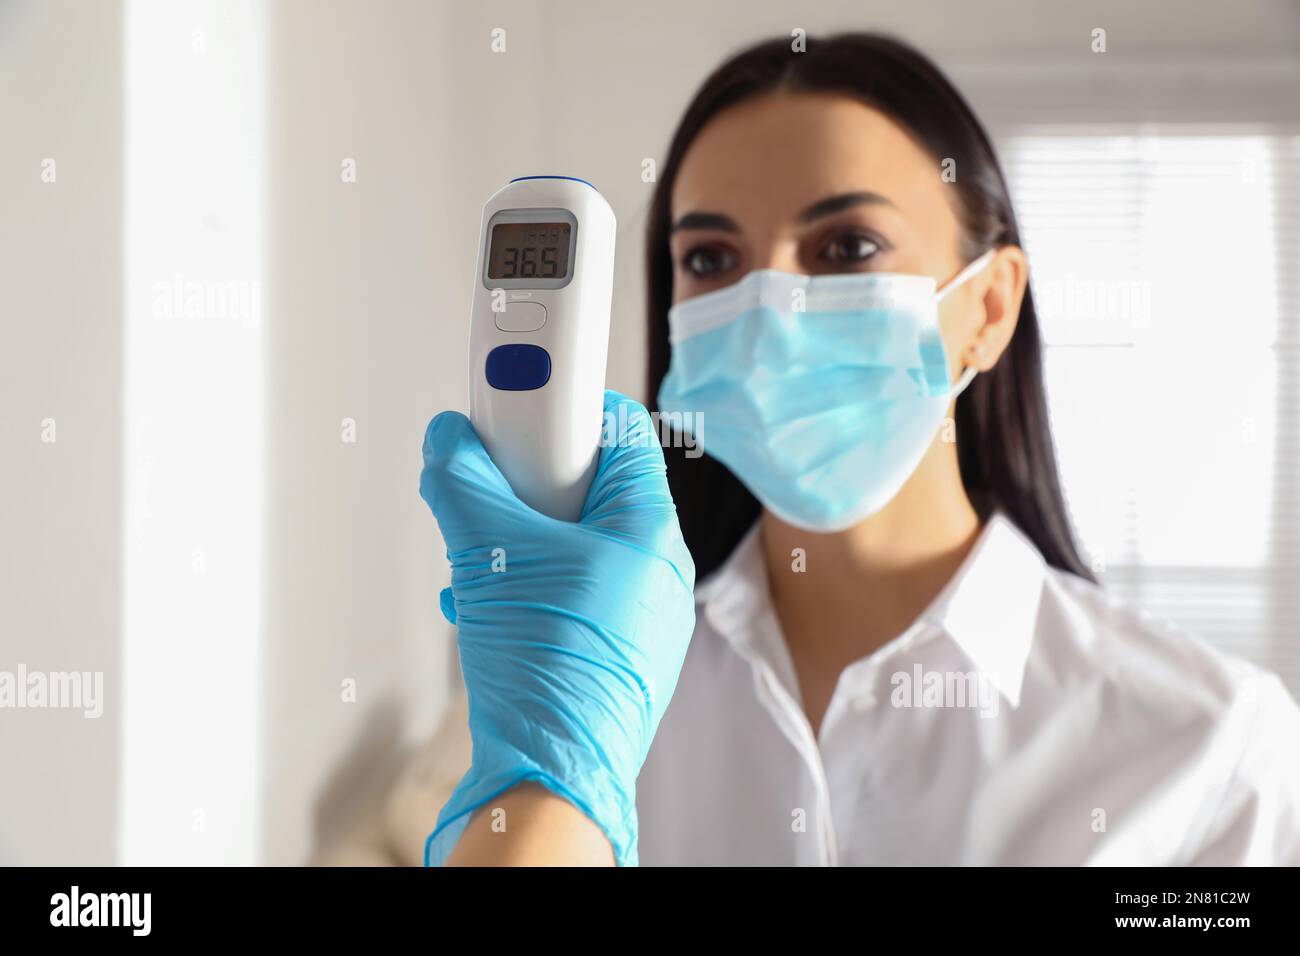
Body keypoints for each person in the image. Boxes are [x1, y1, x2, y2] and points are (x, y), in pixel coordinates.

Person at [420, 33, 1300, 866]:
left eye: (846, 247)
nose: (769, 314)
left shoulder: (1210, 748)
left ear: (989, 308)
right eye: (712, 259)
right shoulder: (603, 693)